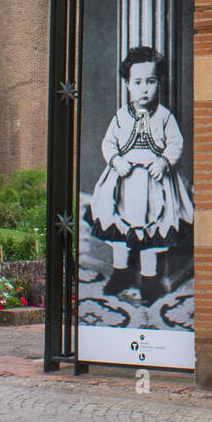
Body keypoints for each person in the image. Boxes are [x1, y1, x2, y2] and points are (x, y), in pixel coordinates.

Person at [87, 46, 192, 306]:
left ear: (160, 83)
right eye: (138, 82)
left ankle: (150, 280)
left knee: (151, 233)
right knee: (119, 231)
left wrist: (164, 161)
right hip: (124, 185)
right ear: (127, 85)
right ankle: (120, 274)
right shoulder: (121, 117)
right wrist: (116, 160)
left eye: (151, 81)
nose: (144, 89)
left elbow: (175, 143)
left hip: (155, 185)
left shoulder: (165, 117)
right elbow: (108, 144)